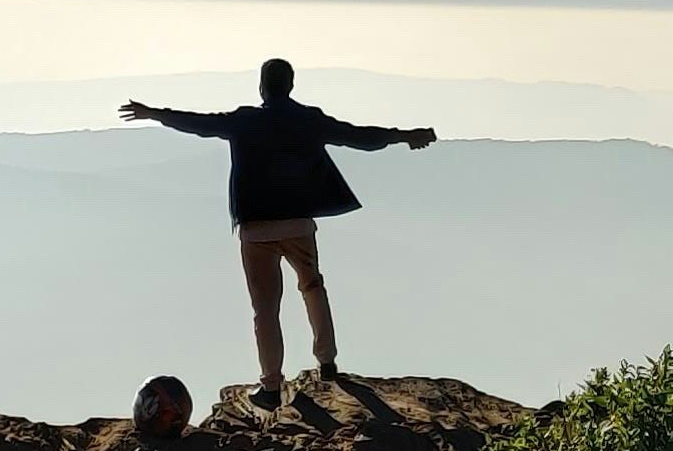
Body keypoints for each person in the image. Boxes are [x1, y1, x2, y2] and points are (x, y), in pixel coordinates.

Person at [121, 59, 436, 403]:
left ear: (261, 87)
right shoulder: (308, 120)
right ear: (291, 85)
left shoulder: (244, 122)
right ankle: (327, 362)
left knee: (265, 309)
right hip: (298, 223)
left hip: (256, 229)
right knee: (312, 285)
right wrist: (404, 136)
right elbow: (358, 136)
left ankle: (271, 386)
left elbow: (199, 123)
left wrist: (154, 113)